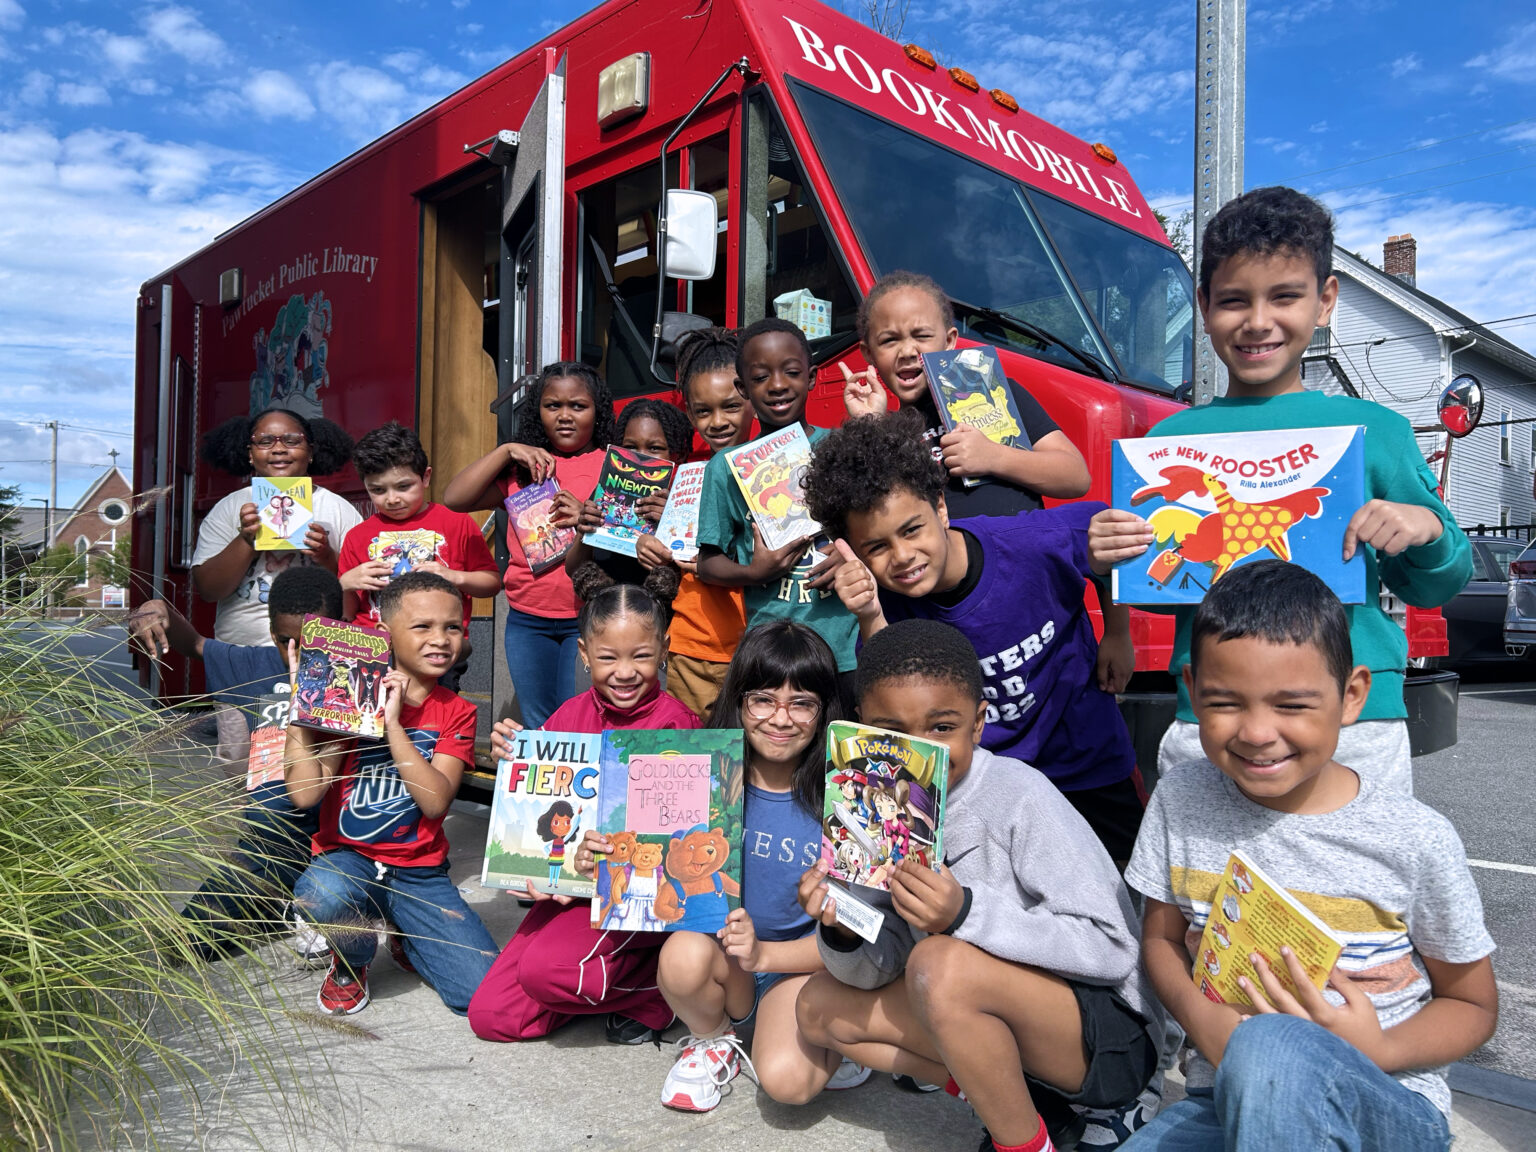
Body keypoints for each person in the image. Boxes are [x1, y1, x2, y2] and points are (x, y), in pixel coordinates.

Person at [1086, 187, 1472, 795]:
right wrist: (1119, 556)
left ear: (1325, 301)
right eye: (1235, 300)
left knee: (1354, 890)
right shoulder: (1169, 439)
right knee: (1201, 885)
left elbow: (1436, 581)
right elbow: (1169, 596)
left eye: (1285, 296)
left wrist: (1425, 531)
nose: (1258, 321)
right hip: (1213, 713)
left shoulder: (1378, 432)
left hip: (1356, 716)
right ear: (1205, 305)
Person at [1123, 560, 1497, 1151]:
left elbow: (1473, 1004)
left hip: (1384, 1102)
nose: (1257, 732)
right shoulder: (1183, 796)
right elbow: (1161, 940)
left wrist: (1383, 1048)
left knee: (1272, 1043)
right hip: (1221, 1103)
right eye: (1225, 702)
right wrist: (1203, 1020)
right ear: (1191, 691)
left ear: (1351, 697)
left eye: (1292, 705)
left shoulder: (1413, 837)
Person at [794, 620, 1162, 1152]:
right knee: (818, 1006)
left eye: (942, 727)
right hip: (983, 1019)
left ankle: (1026, 1142)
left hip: (1108, 1041)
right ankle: (1024, 1109)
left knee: (939, 964)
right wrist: (844, 924)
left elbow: (1111, 948)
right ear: (863, 729)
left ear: (979, 723)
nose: (922, 752)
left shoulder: (1020, 795)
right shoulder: (868, 807)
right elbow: (885, 963)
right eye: (893, 731)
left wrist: (965, 913)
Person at [802, 412, 1143, 865]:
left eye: (912, 529)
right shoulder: (882, 606)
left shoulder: (1035, 542)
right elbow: (895, 716)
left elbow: (1105, 537)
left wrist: (1117, 635)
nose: (903, 557)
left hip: (1084, 762)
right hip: (976, 784)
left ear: (940, 508)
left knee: (1122, 898)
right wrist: (868, 615)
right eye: (877, 547)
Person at [467, 583, 698, 1046]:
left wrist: (606, 862)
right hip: (570, 895)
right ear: (584, 654)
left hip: (632, 906)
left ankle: (661, 991)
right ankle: (597, 984)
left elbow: (676, 859)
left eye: (642, 656)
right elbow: (539, 821)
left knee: (546, 971)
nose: (625, 673)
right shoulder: (567, 716)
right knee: (492, 1017)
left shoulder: (678, 727)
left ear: (665, 650)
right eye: (609, 657)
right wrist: (515, 757)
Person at [656, 622, 869, 1112]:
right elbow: (652, 861)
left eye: (802, 703)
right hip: (724, 960)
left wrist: (767, 958)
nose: (781, 718)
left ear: (824, 712)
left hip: (803, 967)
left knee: (787, 1085)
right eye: (763, 699)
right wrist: (601, 854)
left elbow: (857, 936)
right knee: (680, 957)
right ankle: (713, 1039)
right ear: (738, 701)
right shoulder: (704, 779)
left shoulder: (844, 799)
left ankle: (841, 1039)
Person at [284, 571, 498, 1016]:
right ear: (384, 632)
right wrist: (301, 709)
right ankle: (350, 961)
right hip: (349, 860)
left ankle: (405, 932)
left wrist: (395, 726)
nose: (440, 639)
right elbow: (305, 795)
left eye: (452, 627)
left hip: (418, 873)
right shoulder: (350, 693)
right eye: (422, 627)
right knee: (321, 892)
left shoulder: (456, 712)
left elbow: (435, 802)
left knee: (477, 995)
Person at [127, 566, 344, 964]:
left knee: (336, 910)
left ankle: (294, 907)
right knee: (187, 944)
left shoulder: (361, 671)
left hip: (337, 849)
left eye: (312, 641)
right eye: (285, 641)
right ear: (271, 628)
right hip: (265, 848)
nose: (296, 654)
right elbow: (194, 642)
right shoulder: (256, 665)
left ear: (341, 628)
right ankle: (279, 907)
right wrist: (156, 607)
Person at [442, 361, 616, 728]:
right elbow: (454, 498)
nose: (565, 416)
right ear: (537, 411)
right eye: (553, 406)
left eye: (578, 406)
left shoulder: (610, 465)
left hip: (587, 617)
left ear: (597, 411)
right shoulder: (522, 470)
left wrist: (587, 514)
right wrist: (506, 451)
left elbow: (630, 533)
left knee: (584, 721)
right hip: (526, 619)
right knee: (541, 723)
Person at [694, 317, 857, 699]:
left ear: (813, 377)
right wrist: (754, 571)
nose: (778, 385)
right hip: (770, 654)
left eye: (792, 372)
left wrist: (854, 552)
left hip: (845, 651)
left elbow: (878, 530)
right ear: (742, 387)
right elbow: (707, 562)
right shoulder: (726, 467)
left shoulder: (841, 448)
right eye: (761, 376)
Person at [839, 269, 1090, 516]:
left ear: (949, 341)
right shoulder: (883, 429)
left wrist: (994, 457)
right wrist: (869, 424)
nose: (906, 351)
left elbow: (1076, 477)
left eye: (922, 335)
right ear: (868, 353)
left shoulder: (999, 394)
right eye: (889, 340)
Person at [191, 407, 361, 760]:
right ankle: (250, 817)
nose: (279, 448)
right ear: (249, 454)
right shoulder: (230, 508)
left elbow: (357, 597)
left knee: (321, 756)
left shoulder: (337, 510)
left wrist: (326, 557)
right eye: (265, 441)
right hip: (245, 654)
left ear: (311, 451)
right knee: (241, 760)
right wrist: (245, 541)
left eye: (292, 440)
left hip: (322, 654)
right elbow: (208, 590)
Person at [663, 328, 755, 722]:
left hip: (758, 648)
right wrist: (652, 549)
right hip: (693, 647)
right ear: (689, 414)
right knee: (693, 762)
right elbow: (667, 550)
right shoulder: (682, 477)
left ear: (753, 396)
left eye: (731, 406)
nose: (717, 422)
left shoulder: (776, 468)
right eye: (703, 411)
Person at [338, 421, 499, 632]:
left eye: (403, 487)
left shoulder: (456, 523)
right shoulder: (357, 536)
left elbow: (492, 583)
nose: (392, 499)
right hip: (374, 645)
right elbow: (348, 614)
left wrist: (454, 576)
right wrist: (345, 584)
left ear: (425, 477)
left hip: (436, 642)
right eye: (378, 490)